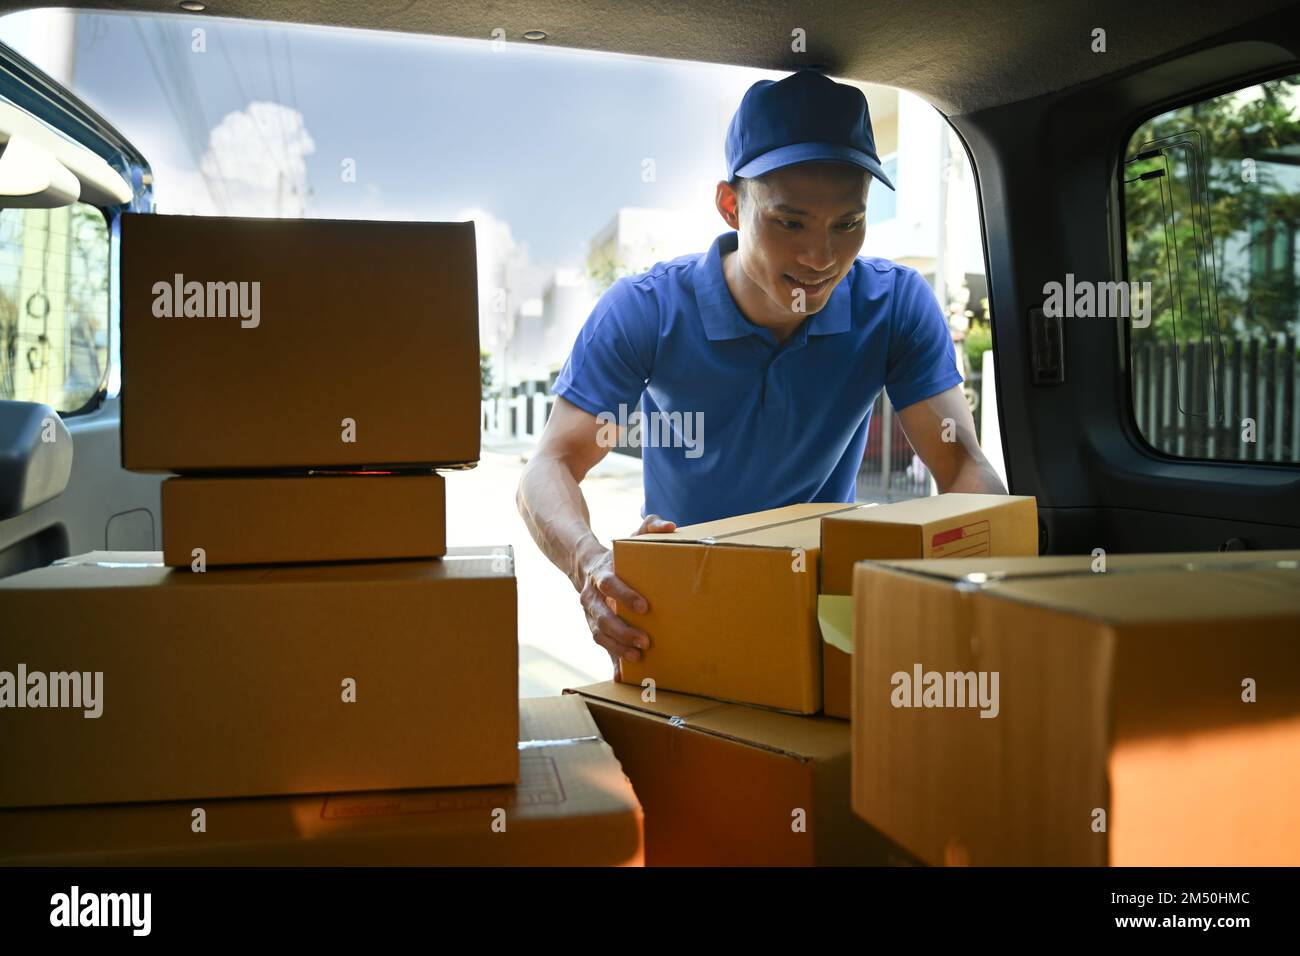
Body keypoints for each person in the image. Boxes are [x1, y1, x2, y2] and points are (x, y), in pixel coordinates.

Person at [517, 69, 1006, 675]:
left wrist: (961, 576)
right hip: (683, 608)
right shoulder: (645, 309)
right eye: (790, 222)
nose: (821, 258)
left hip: (835, 615)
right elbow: (551, 464)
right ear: (731, 206)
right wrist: (592, 566)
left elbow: (965, 468)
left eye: (847, 224)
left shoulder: (897, 304)